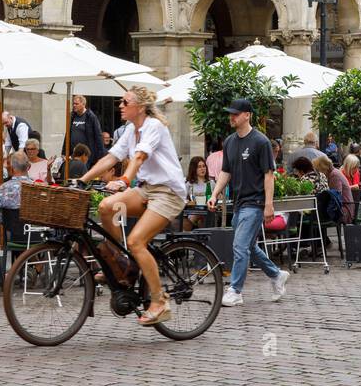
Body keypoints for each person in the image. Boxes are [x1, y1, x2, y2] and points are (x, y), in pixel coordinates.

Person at [80, 86, 190, 325]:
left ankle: (160, 301)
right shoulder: (132, 129)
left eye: (125, 102)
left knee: (137, 241)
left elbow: (139, 157)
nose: (120, 105)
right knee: (107, 207)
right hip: (147, 189)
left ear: (139, 107)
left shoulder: (154, 127)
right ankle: (122, 264)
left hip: (169, 193)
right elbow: (111, 158)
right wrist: (82, 179)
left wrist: (124, 180)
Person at [207, 97, 287, 309]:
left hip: (255, 203)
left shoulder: (260, 142)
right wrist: (215, 194)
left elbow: (269, 175)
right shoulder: (230, 142)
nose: (231, 117)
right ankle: (276, 274)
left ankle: (235, 290)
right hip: (239, 203)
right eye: (230, 113)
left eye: (235, 113)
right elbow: (226, 171)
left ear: (247, 115)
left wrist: (268, 205)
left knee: (240, 246)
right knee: (248, 246)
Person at [69, 94, 107, 163]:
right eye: (73, 104)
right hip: (74, 155)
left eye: (76, 104)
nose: (74, 105)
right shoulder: (73, 116)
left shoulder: (91, 117)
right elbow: (68, 135)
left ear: (83, 104)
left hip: (86, 156)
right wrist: (64, 152)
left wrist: (100, 156)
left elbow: (98, 136)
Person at [183, 156, 212, 228]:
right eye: (199, 167)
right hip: (193, 212)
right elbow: (183, 199)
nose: (203, 169)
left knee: (202, 218)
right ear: (194, 169)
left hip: (208, 212)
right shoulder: (189, 184)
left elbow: (217, 198)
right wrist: (188, 201)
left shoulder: (211, 183)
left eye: (204, 166)